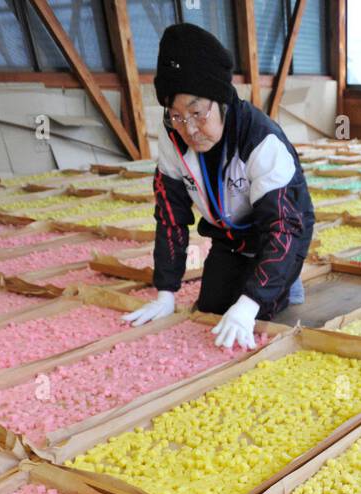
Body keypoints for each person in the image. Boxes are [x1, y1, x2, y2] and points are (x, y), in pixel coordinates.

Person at [125, 23, 314, 347]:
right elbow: (171, 218)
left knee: (257, 312)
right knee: (213, 308)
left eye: (197, 112)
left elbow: (283, 227)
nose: (189, 128)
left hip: (278, 233)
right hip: (229, 238)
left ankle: (288, 280)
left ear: (221, 100)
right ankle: (262, 283)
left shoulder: (260, 140)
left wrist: (250, 304)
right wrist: (166, 293)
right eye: (177, 116)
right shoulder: (174, 138)